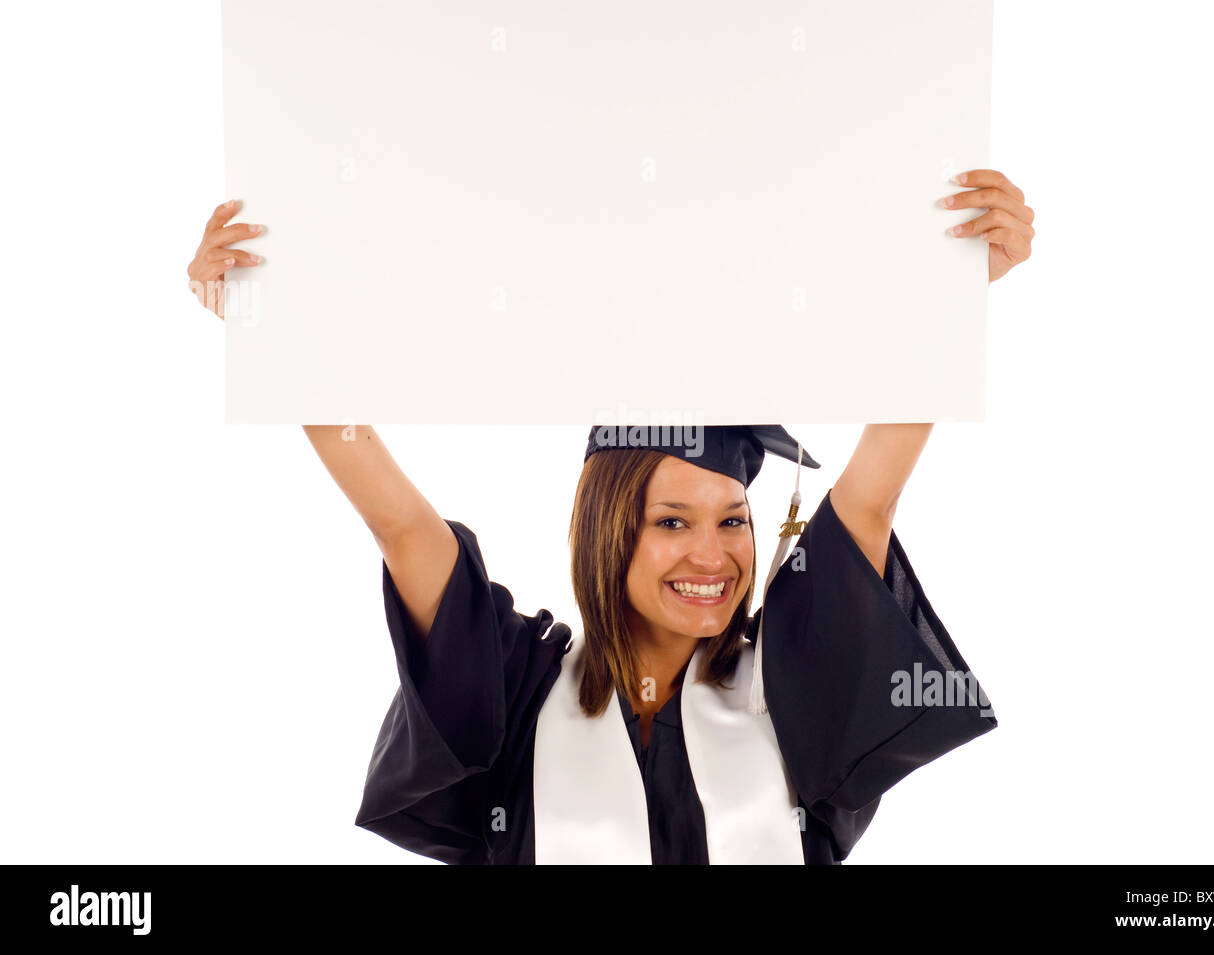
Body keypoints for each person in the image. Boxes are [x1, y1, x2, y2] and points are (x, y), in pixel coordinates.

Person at [186, 170, 1035, 864]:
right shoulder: (518, 692)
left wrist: (955, 285)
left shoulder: (792, 690)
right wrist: (269, 329)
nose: (713, 552)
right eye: (671, 521)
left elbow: (871, 496)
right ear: (609, 532)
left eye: (733, 519)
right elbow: (403, 527)